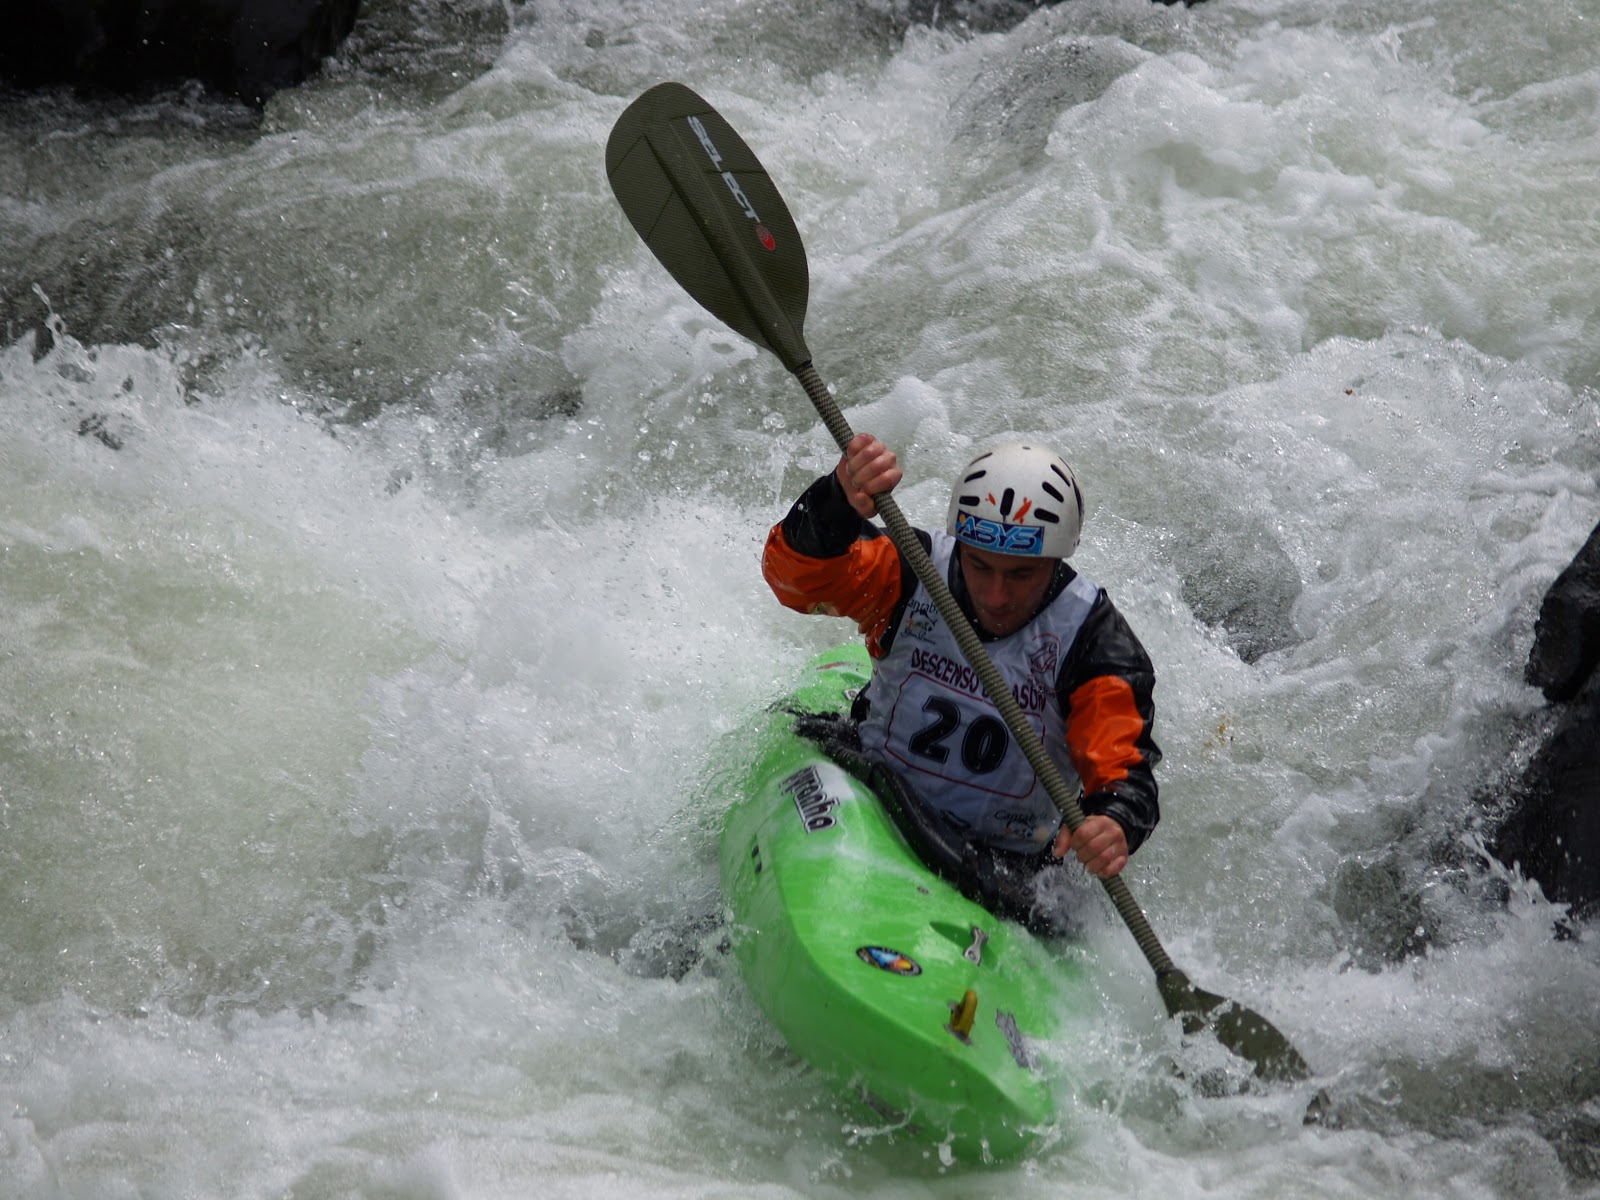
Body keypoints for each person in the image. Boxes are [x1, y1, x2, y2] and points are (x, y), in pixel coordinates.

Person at [763, 432, 1160, 930]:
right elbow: (794, 580)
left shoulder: (1095, 643)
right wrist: (837, 500)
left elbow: (1123, 767)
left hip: (999, 860)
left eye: (1020, 574)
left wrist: (1114, 820)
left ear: (1057, 560)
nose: (995, 596)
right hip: (873, 798)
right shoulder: (912, 570)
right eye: (979, 564)